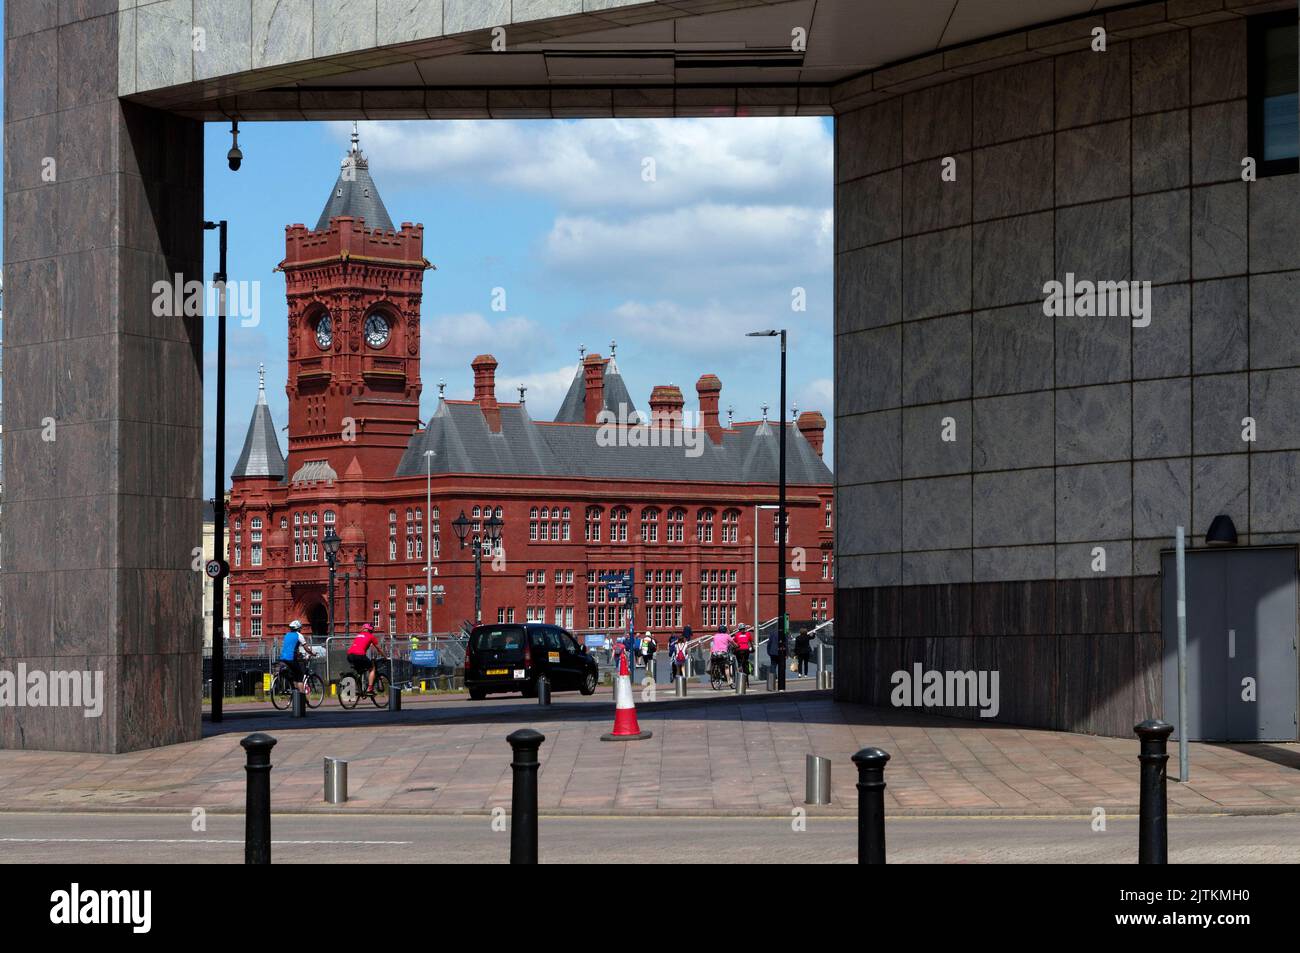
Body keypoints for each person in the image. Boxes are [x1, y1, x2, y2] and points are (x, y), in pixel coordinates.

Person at [347, 622, 386, 694]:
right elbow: (379, 649)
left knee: (359, 670)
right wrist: (385, 657)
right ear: (370, 630)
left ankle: (357, 688)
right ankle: (370, 688)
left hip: (350, 655)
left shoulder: (358, 635)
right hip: (360, 655)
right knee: (372, 668)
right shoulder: (371, 636)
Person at [278, 620, 310, 694]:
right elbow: (306, 648)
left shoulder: (287, 635)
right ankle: (301, 697)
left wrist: (298, 654)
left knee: (293, 675)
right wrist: (313, 653)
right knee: (299, 676)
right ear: (298, 628)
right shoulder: (299, 635)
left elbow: (290, 647)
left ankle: (294, 691)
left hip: (283, 658)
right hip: (291, 658)